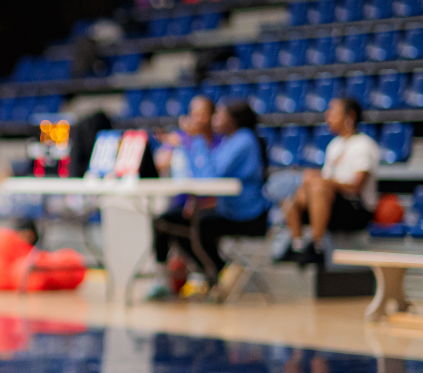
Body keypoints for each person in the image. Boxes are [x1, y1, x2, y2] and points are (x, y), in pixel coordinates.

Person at [152, 99, 269, 290]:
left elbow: (210, 176)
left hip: (247, 214)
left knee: (197, 227)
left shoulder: (244, 139)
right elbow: (202, 174)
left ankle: (219, 272)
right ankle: (218, 273)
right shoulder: (230, 141)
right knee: (175, 223)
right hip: (229, 210)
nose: (216, 118)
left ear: (232, 119)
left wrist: (196, 139)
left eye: (221, 114)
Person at [279, 97, 379, 266]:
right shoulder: (334, 145)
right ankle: (297, 246)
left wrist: (322, 181)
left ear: (350, 116)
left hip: (356, 207)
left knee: (318, 185)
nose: (328, 116)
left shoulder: (364, 145)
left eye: (333, 111)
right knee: (295, 194)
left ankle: (317, 247)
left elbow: (356, 186)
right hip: (331, 202)